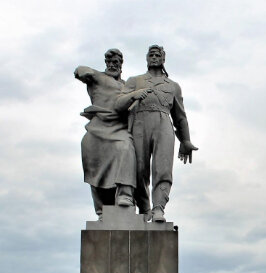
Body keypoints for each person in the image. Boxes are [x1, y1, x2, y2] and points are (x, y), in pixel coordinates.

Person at [119, 45, 198, 222]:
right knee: (138, 169)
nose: (154, 57)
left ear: (163, 59)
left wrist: (185, 140)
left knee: (163, 168)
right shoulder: (134, 81)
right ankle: (144, 206)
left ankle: (158, 208)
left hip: (164, 125)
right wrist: (134, 95)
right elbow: (119, 103)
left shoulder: (173, 86)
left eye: (157, 55)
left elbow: (180, 116)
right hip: (140, 123)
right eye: (151, 55)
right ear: (147, 58)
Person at [74, 49, 137, 219]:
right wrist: (83, 71)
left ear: (121, 65)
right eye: (109, 62)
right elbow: (80, 71)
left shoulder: (126, 86)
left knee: (126, 147)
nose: (112, 65)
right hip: (98, 128)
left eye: (116, 62)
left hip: (119, 128)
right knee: (90, 149)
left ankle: (125, 194)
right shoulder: (97, 77)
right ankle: (102, 209)